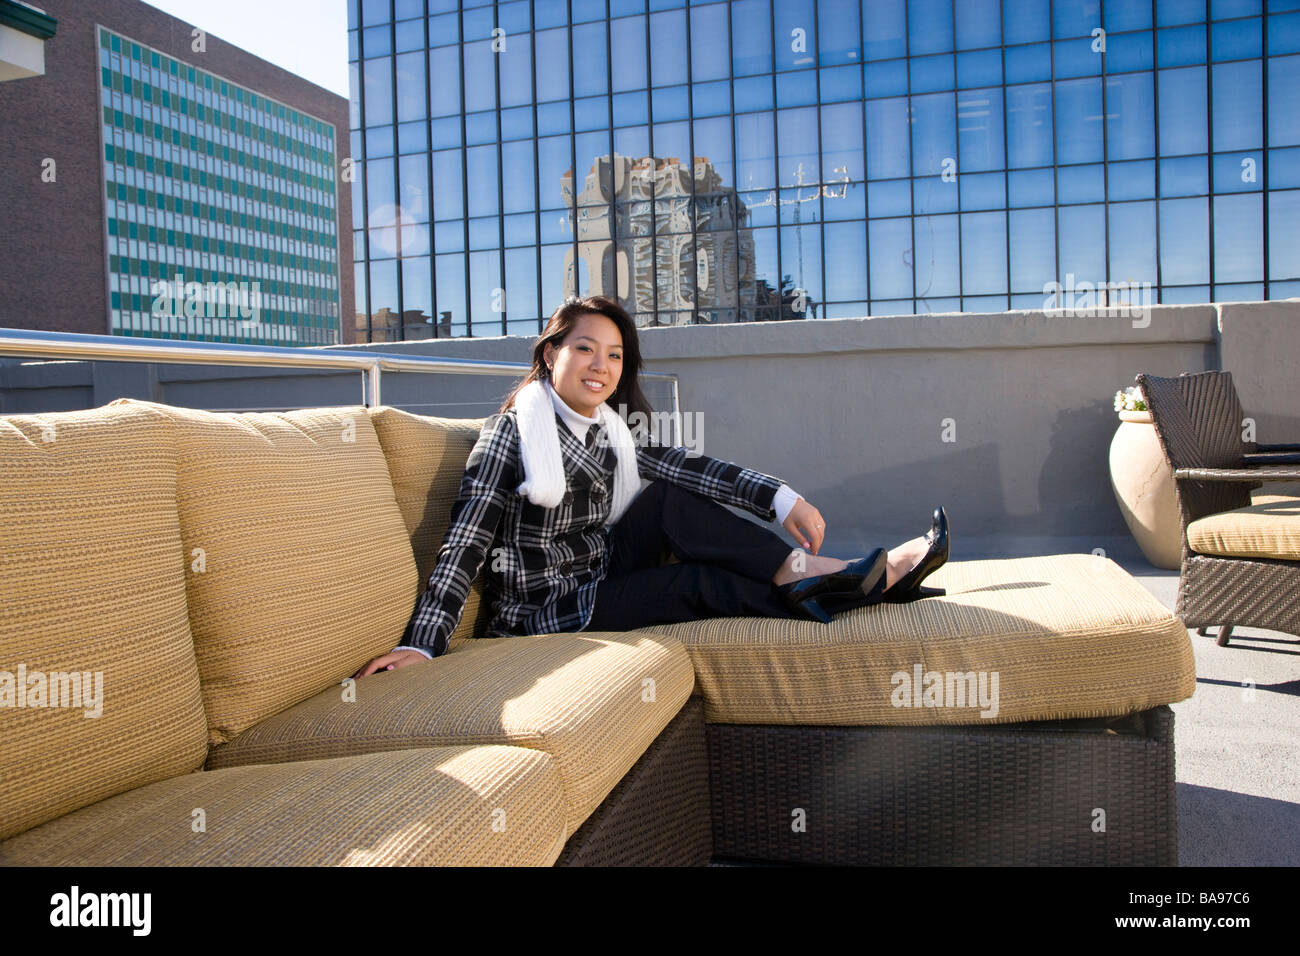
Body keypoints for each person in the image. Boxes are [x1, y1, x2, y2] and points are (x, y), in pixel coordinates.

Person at [354, 296, 948, 677]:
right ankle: (848, 585)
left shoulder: (606, 431)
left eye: (614, 355)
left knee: (667, 497)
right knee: (697, 583)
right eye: (584, 348)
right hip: (543, 610)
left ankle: (812, 572)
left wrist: (780, 497)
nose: (600, 366)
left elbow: (684, 466)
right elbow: (465, 541)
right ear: (550, 353)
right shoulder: (510, 435)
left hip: (598, 570)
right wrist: (424, 644)